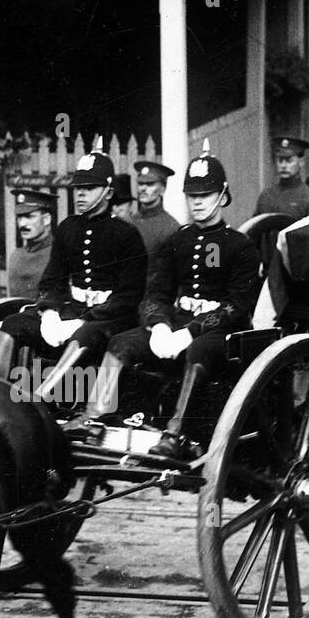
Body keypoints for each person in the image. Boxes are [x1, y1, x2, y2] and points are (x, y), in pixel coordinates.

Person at [68, 145, 260, 462]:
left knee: (198, 349)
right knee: (121, 342)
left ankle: (175, 433)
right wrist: (159, 326)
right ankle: (95, 416)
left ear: (223, 196)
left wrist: (190, 332)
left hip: (222, 336)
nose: (197, 202)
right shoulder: (178, 240)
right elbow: (156, 292)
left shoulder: (240, 246)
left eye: (206, 194)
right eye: (192, 195)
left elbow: (236, 305)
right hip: (175, 325)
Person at [0, 146, 147, 380]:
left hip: (111, 318)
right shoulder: (68, 228)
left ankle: (42, 401)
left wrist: (84, 320)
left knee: (83, 335)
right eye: (78, 188)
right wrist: (50, 312)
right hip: (70, 309)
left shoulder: (126, 233)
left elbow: (129, 296)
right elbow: (51, 281)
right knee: (13, 325)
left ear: (108, 191)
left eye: (89, 188)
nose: (80, 194)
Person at [254, 135, 309, 221]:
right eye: (280, 160)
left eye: (289, 161)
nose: (283, 166)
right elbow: (254, 229)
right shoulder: (266, 196)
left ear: (301, 162)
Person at [6, 188, 55, 300]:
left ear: (47, 219)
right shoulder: (16, 256)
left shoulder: (59, 254)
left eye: (29, 217)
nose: (22, 224)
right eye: (20, 217)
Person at [129, 160, 181, 260]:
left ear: (163, 189)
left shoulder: (170, 227)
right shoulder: (129, 221)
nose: (143, 188)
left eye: (150, 184)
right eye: (140, 183)